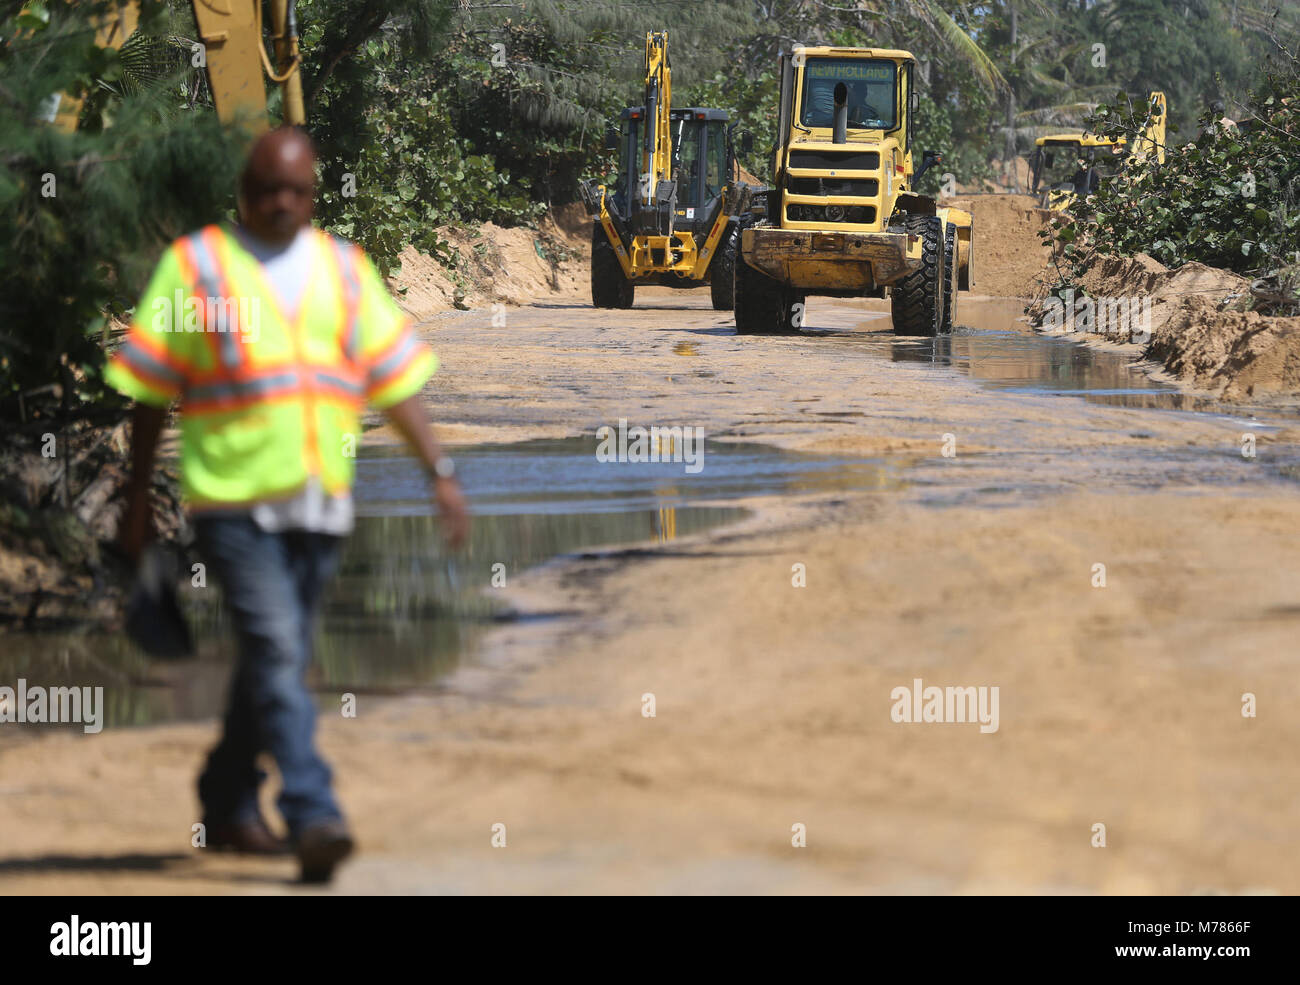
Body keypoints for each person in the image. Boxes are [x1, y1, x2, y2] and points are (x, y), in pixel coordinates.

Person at [108, 126, 469, 884]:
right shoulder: (197, 267)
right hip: (232, 502)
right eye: (267, 188)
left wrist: (438, 470)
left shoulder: (344, 269)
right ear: (243, 190)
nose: (281, 202)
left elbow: (392, 379)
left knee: (278, 659)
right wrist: (136, 500)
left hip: (320, 505)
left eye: (296, 191)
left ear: (313, 194)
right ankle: (313, 813)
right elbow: (147, 393)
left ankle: (226, 791)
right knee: (278, 652)